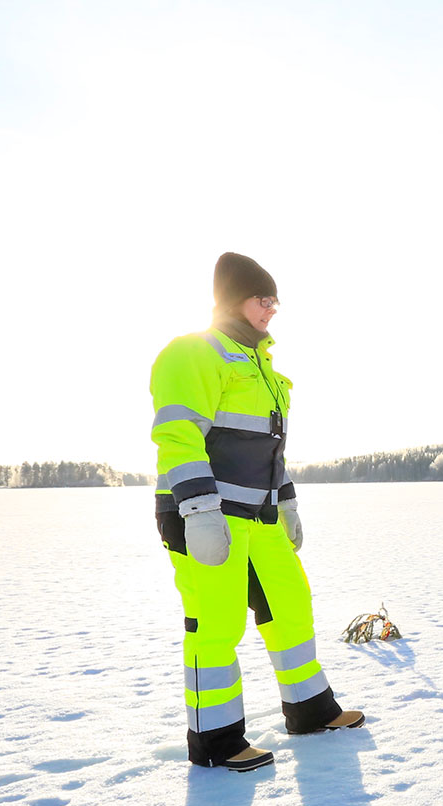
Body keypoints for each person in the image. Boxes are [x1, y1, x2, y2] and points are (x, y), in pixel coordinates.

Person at [150, 252, 363, 772]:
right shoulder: (195, 353)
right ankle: (217, 743)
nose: (271, 309)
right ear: (233, 299)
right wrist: (198, 509)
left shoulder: (263, 367)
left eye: (275, 301)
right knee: (216, 624)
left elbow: (269, 452)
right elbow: (177, 436)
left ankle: (311, 711)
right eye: (262, 298)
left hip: (259, 514)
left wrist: (286, 502)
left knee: (291, 606)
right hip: (207, 513)